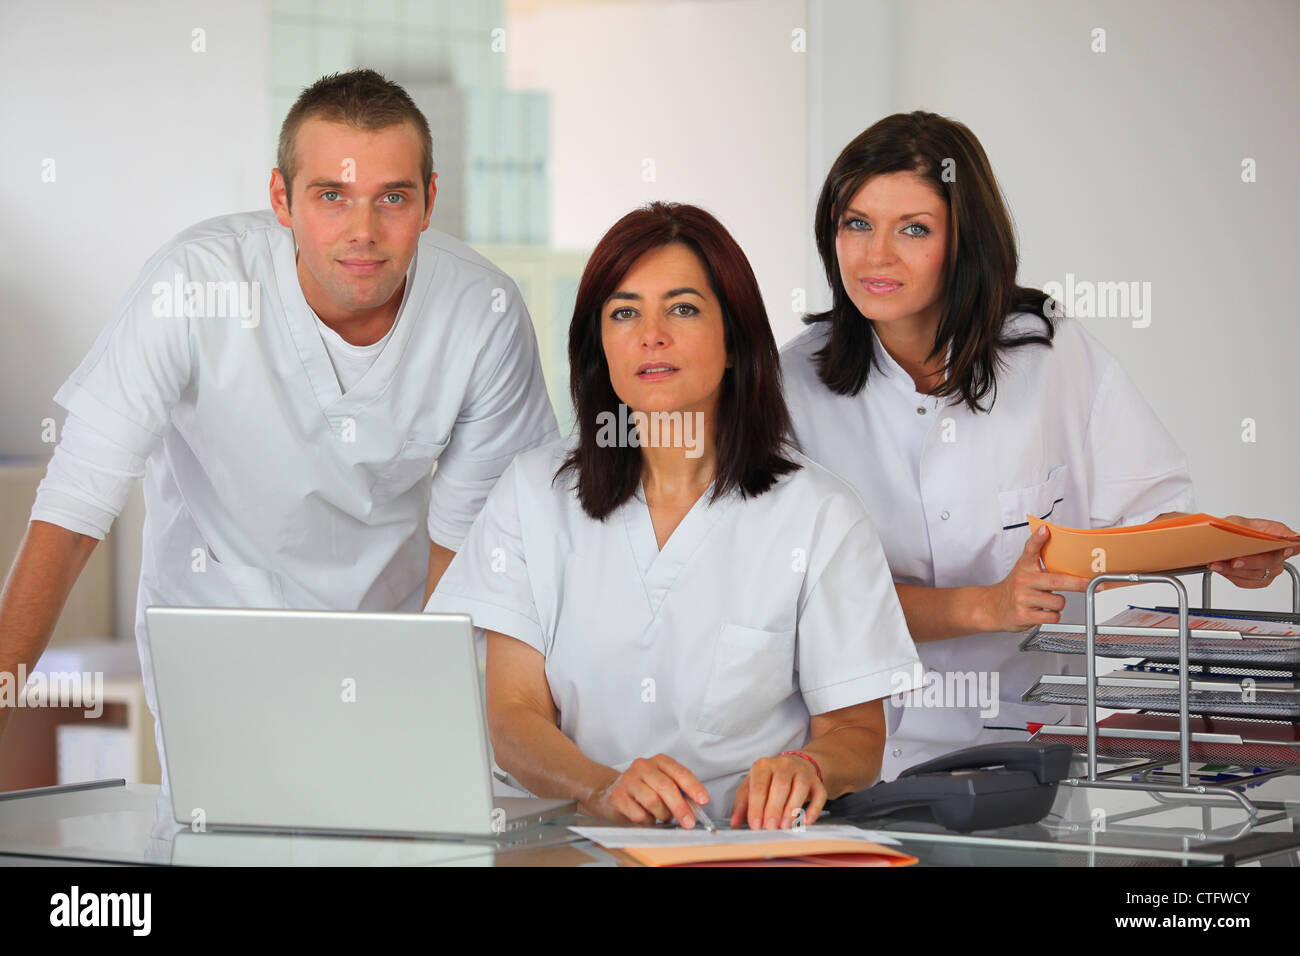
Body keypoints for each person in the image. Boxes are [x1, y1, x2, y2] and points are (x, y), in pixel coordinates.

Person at [0, 70, 558, 778]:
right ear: (281, 201)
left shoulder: (482, 316)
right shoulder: (194, 286)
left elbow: (462, 558)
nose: (363, 231)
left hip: (393, 641)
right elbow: (74, 511)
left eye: (392, 197)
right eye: (332, 196)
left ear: (429, 203)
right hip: (214, 638)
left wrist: (414, 717)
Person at [780, 111, 1297, 781]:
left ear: (966, 242)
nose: (876, 256)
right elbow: (797, 603)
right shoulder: (791, 384)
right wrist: (984, 605)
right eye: (856, 224)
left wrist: (1222, 544)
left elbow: (1142, 517)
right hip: (853, 759)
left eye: (914, 229)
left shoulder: (1051, 355)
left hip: (1026, 751)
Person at [425, 202, 920, 829]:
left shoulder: (820, 515)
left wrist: (811, 768)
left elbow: (856, 731)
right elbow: (512, 715)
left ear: (735, 341)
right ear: (598, 344)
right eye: (624, 312)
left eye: (682, 308)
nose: (650, 334)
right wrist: (600, 787)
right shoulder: (531, 494)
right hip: (578, 847)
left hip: (743, 851)